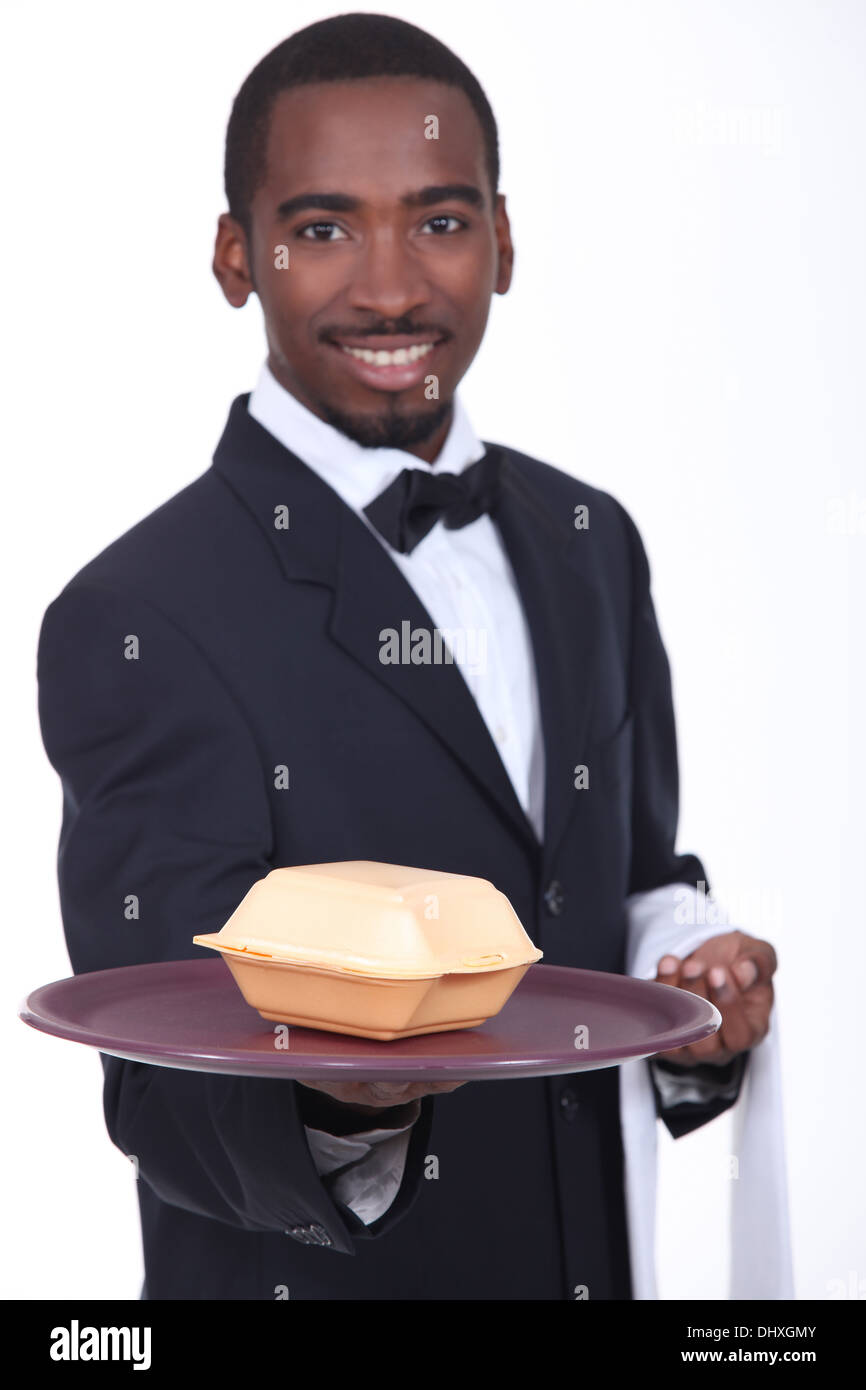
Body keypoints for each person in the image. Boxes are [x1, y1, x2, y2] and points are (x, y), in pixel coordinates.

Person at [37, 13, 779, 1301]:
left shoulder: (592, 541)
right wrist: (346, 1103)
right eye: (322, 228)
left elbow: (629, 880)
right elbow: (159, 1068)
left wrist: (700, 988)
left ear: (504, 240)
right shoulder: (138, 608)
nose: (389, 288)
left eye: (438, 220)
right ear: (234, 255)